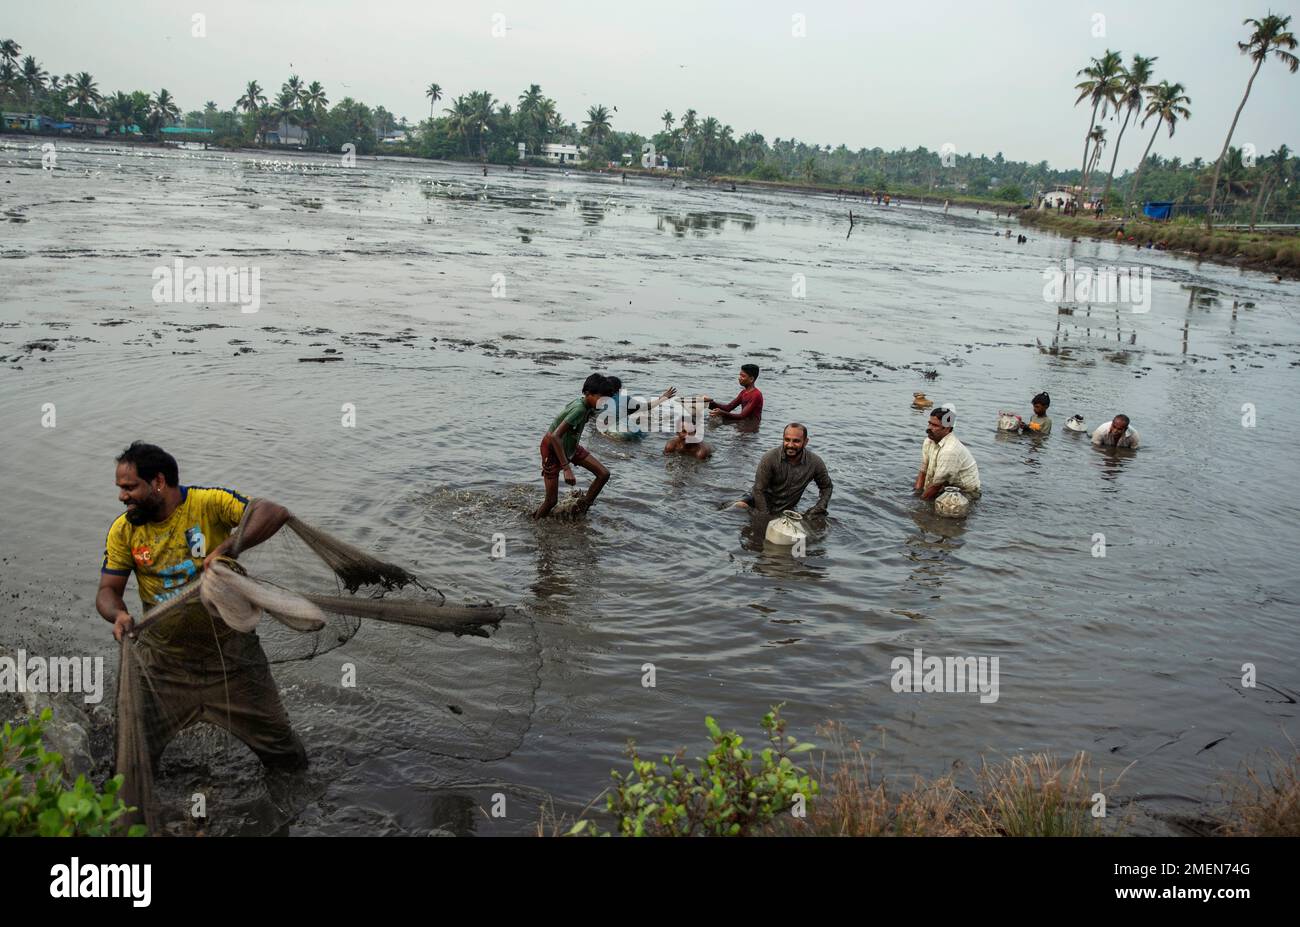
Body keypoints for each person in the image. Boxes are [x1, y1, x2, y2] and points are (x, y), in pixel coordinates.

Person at [96, 442, 308, 772]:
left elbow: (273, 512)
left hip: (233, 659)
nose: (122, 496)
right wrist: (118, 613)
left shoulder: (207, 504)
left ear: (158, 482)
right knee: (130, 766)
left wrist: (228, 547)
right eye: (120, 488)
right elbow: (108, 591)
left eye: (129, 487)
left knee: (287, 759)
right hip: (162, 665)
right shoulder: (124, 531)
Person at [534, 374, 615, 518]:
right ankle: (535, 525)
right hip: (553, 449)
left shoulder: (590, 405)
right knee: (551, 501)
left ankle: (581, 508)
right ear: (587, 393)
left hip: (570, 446)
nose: (604, 402)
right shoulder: (579, 408)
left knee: (603, 474)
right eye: (601, 398)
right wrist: (566, 468)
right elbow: (555, 436)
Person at [733, 423, 832, 515]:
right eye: (787, 440)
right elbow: (758, 490)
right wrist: (765, 516)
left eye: (796, 441)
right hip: (757, 502)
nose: (790, 445)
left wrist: (819, 507)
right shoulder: (769, 458)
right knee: (737, 507)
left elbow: (826, 487)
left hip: (786, 508)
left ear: (805, 442)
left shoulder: (815, 463)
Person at [914, 407, 981, 500]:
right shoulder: (929, 441)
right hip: (943, 485)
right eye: (929, 423)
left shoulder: (950, 450)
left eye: (935, 425)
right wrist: (916, 494)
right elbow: (923, 471)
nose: (929, 428)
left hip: (965, 493)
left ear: (947, 428)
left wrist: (918, 503)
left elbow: (936, 486)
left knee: (947, 507)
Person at [599, 376, 677, 440]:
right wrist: (663, 398)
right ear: (619, 389)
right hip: (632, 432)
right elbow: (646, 407)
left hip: (614, 432)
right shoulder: (625, 399)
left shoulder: (599, 399)